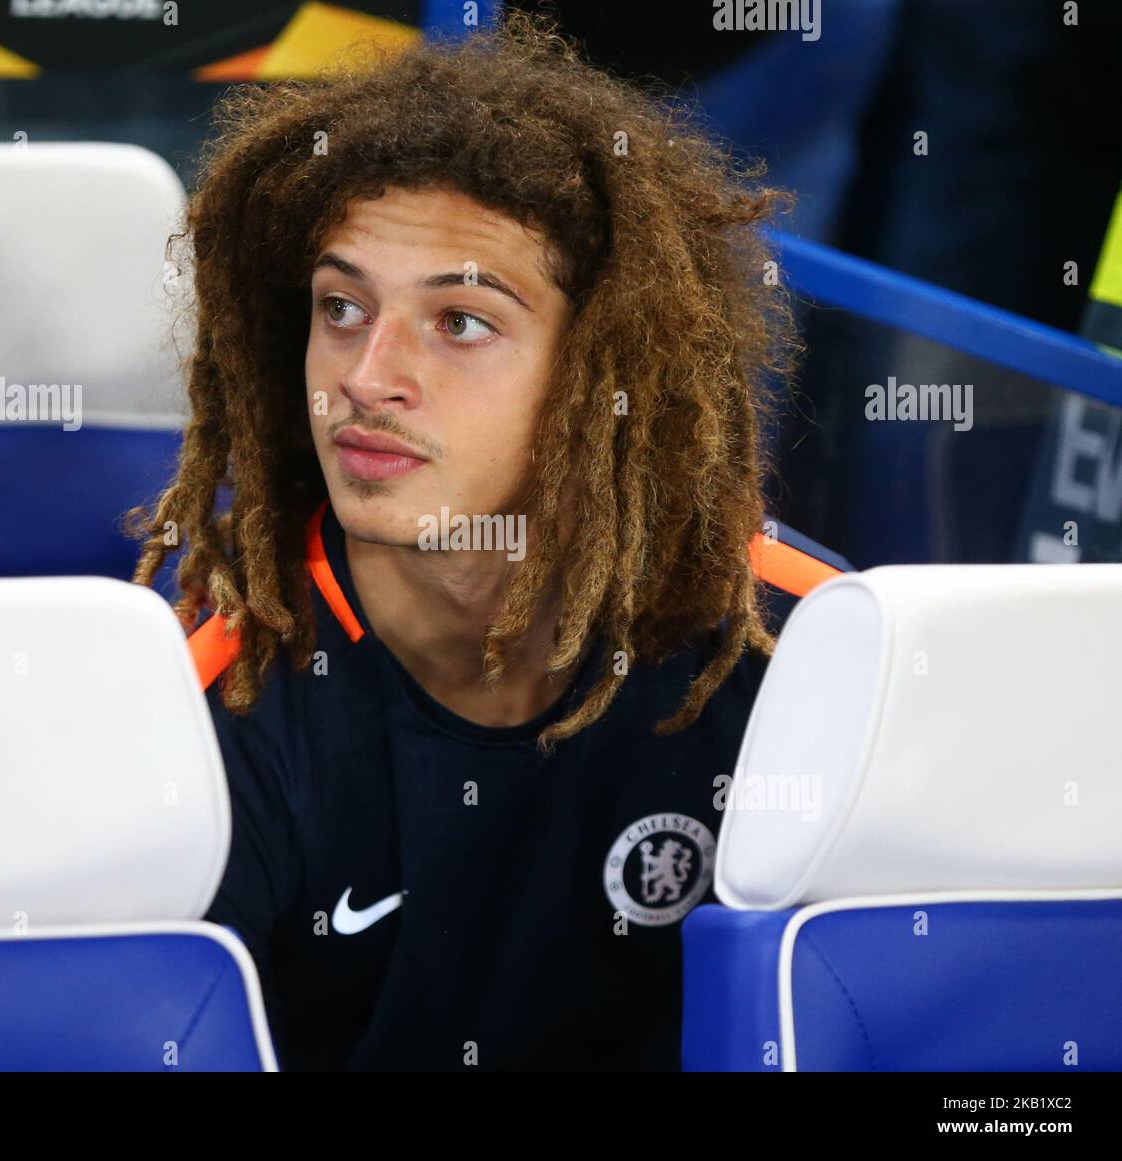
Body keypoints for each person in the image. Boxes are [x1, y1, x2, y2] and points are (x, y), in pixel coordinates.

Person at [129, 11, 846, 1071]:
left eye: (460, 321)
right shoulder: (206, 700)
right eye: (340, 307)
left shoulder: (810, 646)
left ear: (603, 372)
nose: (367, 379)